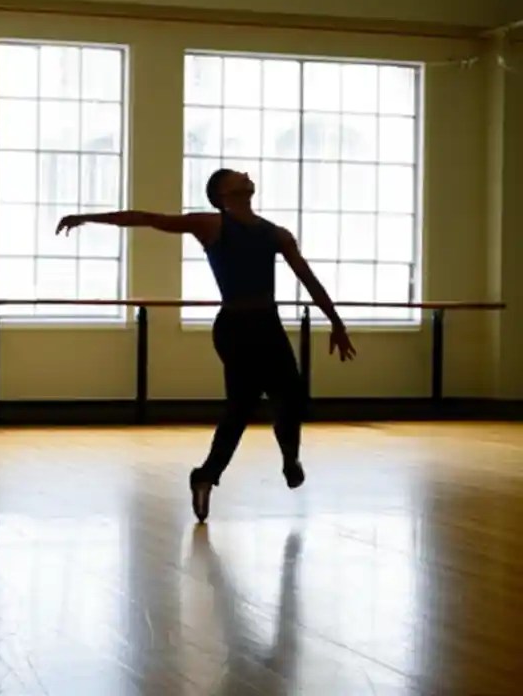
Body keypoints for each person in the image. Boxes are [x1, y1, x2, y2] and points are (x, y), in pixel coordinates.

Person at [56, 168, 356, 522]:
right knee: (241, 407)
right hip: (235, 327)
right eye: (235, 176)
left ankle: (288, 458)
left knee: (290, 397)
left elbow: (307, 277)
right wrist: (88, 217)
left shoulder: (276, 234)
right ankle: (206, 476)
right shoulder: (212, 225)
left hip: (268, 325)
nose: (245, 175)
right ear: (223, 194)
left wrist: (336, 322)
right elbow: (150, 219)